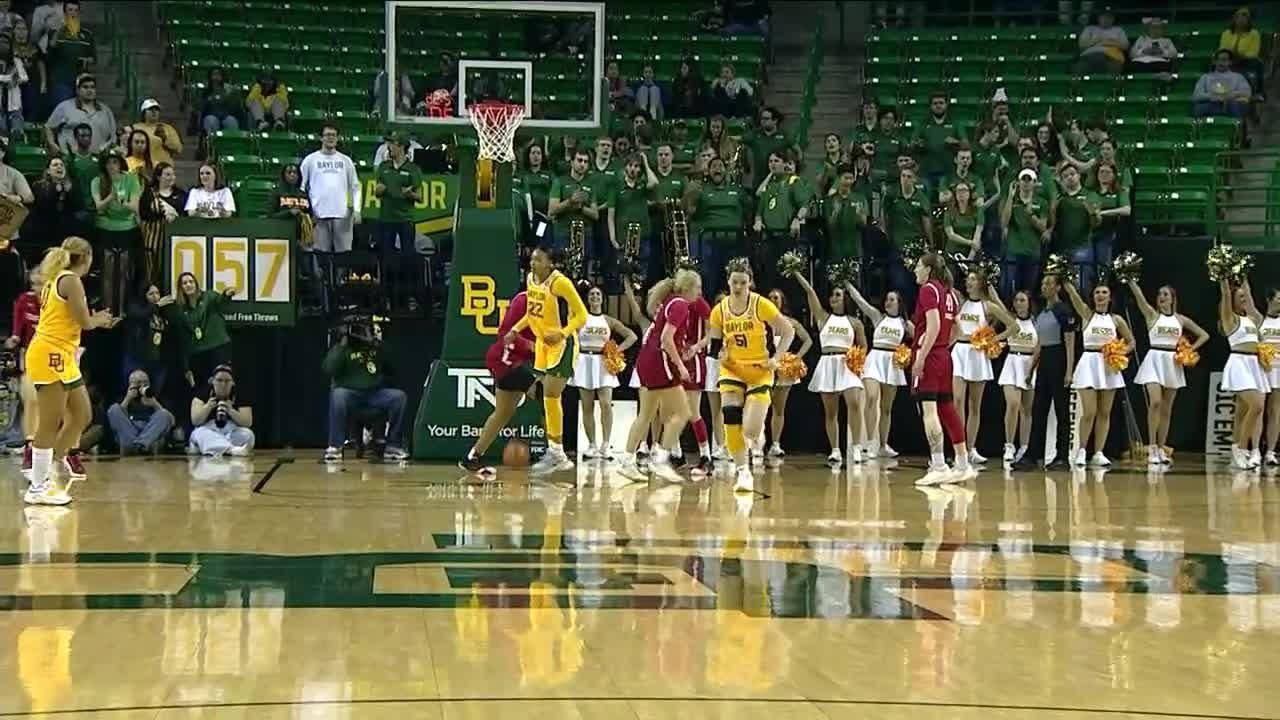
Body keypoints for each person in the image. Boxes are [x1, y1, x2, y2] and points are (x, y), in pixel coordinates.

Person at [24, 236, 117, 505]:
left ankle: (49, 469)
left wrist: (94, 320)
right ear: (86, 257)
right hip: (49, 353)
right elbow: (85, 322)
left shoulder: (58, 278)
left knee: (81, 414)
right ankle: (37, 487)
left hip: (63, 354)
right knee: (50, 421)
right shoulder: (70, 280)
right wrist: (99, 319)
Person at [707, 259, 793, 494]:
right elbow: (714, 345)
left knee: (751, 431)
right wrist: (720, 353)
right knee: (730, 414)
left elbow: (788, 331)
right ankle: (743, 471)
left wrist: (778, 358)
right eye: (734, 282)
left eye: (743, 283)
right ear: (728, 281)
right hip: (732, 369)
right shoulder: (720, 310)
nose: (738, 287)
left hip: (759, 371)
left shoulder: (760, 305)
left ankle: (757, 433)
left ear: (750, 283)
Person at [503, 246, 589, 474]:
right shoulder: (531, 279)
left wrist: (562, 333)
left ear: (550, 263)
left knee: (551, 395)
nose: (533, 263)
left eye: (538, 259)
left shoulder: (560, 283)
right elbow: (532, 313)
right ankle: (555, 450)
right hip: (543, 345)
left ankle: (557, 452)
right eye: (532, 259)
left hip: (562, 344)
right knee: (548, 397)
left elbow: (582, 315)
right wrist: (516, 329)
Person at [615, 269, 704, 482]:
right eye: (698, 288)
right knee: (683, 412)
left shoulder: (670, 302)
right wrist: (681, 366)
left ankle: (627, 461)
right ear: (688, 288)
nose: (700, 293)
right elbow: (666, 339)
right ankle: (660, 458)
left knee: (645, 415)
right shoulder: (681, 305)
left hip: (646, 361)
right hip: (659, 362)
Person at [1128, 280, 1209, 467]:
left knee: (1166, 408)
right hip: (1154, 359)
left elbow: (1204, 335)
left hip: (1172, 362)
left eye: (1165, 294)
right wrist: (1131, 280)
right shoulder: (1151, 315)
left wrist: (1188, 350)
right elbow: (1139, 298)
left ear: (1172, 299)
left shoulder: (1180, 319)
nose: (1161, 297)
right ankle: (1152, 446)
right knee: (1155, 402)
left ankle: (1162, 447)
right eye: (1159, 294)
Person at [459, 291, 539, 475]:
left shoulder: (553, 305)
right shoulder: (522, 300)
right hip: (505, 361)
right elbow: (505, 333)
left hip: (518, 362)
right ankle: (554, 452)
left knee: (503, 412)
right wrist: (532, 346)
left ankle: (472, 457)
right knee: (546, 397)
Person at [911, 252, 973, 486]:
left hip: (930, 356)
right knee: (947, 408)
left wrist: (922, 357)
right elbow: (959, 329)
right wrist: (943, 347)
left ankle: (938, 464)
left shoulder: (928, 289)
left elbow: (935, 324)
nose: (915, 270)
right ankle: (963, 463)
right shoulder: (951, 294)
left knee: (929, 411)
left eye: (918, 265)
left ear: (928, 269)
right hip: (945, 357)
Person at [792, 270, 865, 466]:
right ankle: (835, 450)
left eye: (838, 295)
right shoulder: (823, 317)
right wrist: (797, 271)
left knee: (854, 404)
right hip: (827, 363)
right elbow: (809, 291)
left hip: (847, 364)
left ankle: (856, 447)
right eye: (832, 295)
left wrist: (857, 359)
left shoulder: (855, 322)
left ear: (845, 300)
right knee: (830, 412)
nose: (833, 297)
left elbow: (864, 346)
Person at [1062, 280, 1136, 467]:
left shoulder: (1117, 320)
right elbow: (1073, 295)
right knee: (1090, 412)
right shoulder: (1087, 314)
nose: (1101, 295)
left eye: (1104, 292)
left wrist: (1120, 353)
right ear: (1093, 297)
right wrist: (1064, 277)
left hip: (1108, 366)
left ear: (1110, 297)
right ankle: (1081, 450)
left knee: (1105, 412)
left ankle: (1099, 452)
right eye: (1097, 292)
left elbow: (1131, 341)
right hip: (1089, 363)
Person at [1011, 273, 1078, 471]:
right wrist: (1031, 369)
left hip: (1059, 359)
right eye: (1043, 283)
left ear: (1058, 288)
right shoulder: (1042, 313)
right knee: (1038, 409)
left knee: (1061, 411)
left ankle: (1062, 456)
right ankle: (1032, 455)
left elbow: (1070, 342)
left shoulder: (1063, 311)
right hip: (1045, 360)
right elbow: (1039, 344)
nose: (1045, 286)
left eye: (1049, 283)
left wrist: (1069, 371)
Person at [322, 320, 409, 462]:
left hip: (374, 394)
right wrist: (343, 344)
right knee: (338, 395)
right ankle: (335, 447)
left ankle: (393, 445)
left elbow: (393, 367)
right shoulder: (343, 348)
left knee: (399, 397)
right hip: (350, 394)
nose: (360, 334)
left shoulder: (374, 348)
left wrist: (377, 344)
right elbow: (328, 369)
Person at [951, 270, 1013, 466]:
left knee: (974, 406)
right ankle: (958, 449)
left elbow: (1013, 326)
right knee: (957, 400)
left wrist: (993, 339)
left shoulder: (988, 306)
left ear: (981, 283)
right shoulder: (959, 301)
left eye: (973, 279)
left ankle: (971, 449)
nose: (968, 282)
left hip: (977, 354)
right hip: (960, 351)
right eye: (967, 279)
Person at [570, 284, 637, 460]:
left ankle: (606, 444)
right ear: (588, 299)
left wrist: (616, 351)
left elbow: (632, 336)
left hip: (603, 363)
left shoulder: (608, 320)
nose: (594, 297)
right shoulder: (580, 318)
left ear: (602, 298)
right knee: (587, 406)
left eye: (598, 294)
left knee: (606, 404)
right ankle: (591, 444)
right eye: (591, 294)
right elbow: (569, 336)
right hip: (584, 361)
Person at [846, 283, 911, 460]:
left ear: (899, 303)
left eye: (892, 300)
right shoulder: (878, 317)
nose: (888, 302)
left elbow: (921, 334)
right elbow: (860, 301)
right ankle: (868, 443)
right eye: (887, 299)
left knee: (887, 408)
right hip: (875, 359)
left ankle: (882, 445)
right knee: (872, 397)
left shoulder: (905, 323)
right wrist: (847, 283)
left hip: (893, 363)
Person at [1219, 277, 1267, 469]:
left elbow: (1250, 294)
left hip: (1254, 365)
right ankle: (1240, 448)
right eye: (1240, 297)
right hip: (1238, 363)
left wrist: (1243, 274)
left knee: (1242, 411)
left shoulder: (1253, 318)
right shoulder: (1230, 318)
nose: (1244, 298)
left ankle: (1236, 449)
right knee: (1255, 405)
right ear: (1233, 300)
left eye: (1245, 296)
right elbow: (1224, 294)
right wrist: (1223, 276)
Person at [760, 288, 812, 459]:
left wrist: (796, 357)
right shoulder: (761, 320)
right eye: (770, 297)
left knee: (778, 408)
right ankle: (757, 444)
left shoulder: (791, 322)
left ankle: (775, 444)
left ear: (783, 301)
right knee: (760, 406)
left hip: (783, 369)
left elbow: (808, 340)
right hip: (764, 367)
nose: (773, 300)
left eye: (776, 298)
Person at [90, 150, 141, 313]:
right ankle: (107, 307)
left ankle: (123, 308)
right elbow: (99, 207)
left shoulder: (131, 180)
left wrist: (123, 203)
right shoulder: (98, 181)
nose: (112, 166)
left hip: (127, 228)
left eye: (115, 162)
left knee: (124, 268)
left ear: (121, 164)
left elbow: (134, 208)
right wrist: (111, 196)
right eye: (109, 163)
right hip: (105, 228)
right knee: (108, 269)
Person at [300, 123, 361, 254]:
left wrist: (357, 210)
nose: (330, 138)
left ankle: (341, 276)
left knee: (344, 257)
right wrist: (307, 213)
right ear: (321, 138)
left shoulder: (346, 161)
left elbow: (355, 187)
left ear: (338, 138)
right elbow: (301, 188)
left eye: (333, 135)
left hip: (343, 216)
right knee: (319, 256)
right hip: (318, 215)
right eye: (327, 135)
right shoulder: (310, 160)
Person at [122, 284, 182, 413]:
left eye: (157, 293)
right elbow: (137, 315)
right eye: (151, 294)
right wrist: (156, 306)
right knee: (135, 393)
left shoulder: (163, 313)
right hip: (138, 359)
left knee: (154, 395)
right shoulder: (137, 308)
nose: (155, 297)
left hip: (158, 362)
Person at [995, 290, 1037, 464]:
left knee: (1026, 409)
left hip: (1030, 363)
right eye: (1017, 300)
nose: (1019, 303)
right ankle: (1009, 445)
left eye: (1022, 300)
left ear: (1029, 303)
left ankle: (1024, 447)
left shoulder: (1036, 321)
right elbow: (997, 301)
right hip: (1012, 361)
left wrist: (1033, 368)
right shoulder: (1010, 319)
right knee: (1012, 404)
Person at [174, 271, 234, 389]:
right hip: (198, 352)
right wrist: (186, 367)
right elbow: (183, 339)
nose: (188, 285)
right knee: (204, 387)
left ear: (196, 284)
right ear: (181, 288)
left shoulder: (209, 296)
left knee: (222, 383)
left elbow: (221, 301)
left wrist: (227, 294)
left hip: (218, 346)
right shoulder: (180, 309)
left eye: (191, 281)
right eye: (184, 283)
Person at [371, 132, 422, 255]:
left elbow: (420, 197)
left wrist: (410, 194)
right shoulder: (383, 167)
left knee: (407, 255)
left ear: (401, 147)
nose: (388, 147)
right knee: (386, 255)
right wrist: (378, 190)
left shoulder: (413, 169)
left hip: (405, 220)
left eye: (392, 144)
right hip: (386, 218)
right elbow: (376, 192)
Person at [1001, 169, 1048, 299]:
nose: (1026, 183)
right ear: (1018, 182)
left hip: (1032, 251)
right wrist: (1010, 196)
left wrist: (1031, 215)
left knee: (1029, 290)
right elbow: (1004, 222)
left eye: (1029, 180)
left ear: (1034, 183)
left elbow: (1043, 227)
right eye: (1023, 180)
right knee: (1008, 289)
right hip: (1013, 251)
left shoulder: (1041, 202)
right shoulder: (1012, 200)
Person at [188, 364, 254, 457]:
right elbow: (195, 421)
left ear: (233, 382)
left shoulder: (240, 395)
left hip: (230, 430)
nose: (223, 384)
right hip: (208, 428)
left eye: (227, 381)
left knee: (248, 435)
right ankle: (231, 450)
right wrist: (207, 407)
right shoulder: (201, 395)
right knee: (199, 433)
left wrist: (231, 410)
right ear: (212, 381)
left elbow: (247, 422)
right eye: (219, 380)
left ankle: (211, 447)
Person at [138, 162, 185, 288]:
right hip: (152, 239)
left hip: (173, 240)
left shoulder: (180, 193)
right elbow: (143, 213)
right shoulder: (149, 193)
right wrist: (163, 214)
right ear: (158, 177)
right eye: (167, 174)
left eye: (173, 174)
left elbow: (183, 213)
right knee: (151, 272)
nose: (172, 177)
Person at [107, 369, 175, 454]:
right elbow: (115, 420)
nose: (142, 386)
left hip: (150, 434)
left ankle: (140, 445)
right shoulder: (124, 398)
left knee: (164, 413)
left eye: (145, 382)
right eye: (138, 383)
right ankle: (135, 446)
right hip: (129, 434)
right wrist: (127, 399)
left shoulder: (156, 397)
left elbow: (171, 422)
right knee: (114, 409)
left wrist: (155, 404)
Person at [1193, 49, 1253, 119]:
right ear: (1214, 62)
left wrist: (1231, 95)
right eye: (1218, 60)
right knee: (1199, 108)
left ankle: (1234, 126)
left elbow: (1247, 92)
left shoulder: (1238, 77)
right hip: (1212, 104)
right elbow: (1196, 95)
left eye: (1224, 60)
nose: (1220, 62)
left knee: (1233, 105)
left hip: (1231, 104)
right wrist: (1213, 97)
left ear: (1230, 62)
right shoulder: (1205, 77)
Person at [1258, 289, 1280, 465]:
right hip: (1261, 369)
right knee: (1257, 410)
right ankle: (1254, 450)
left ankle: (1271, 451)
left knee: (1274, 411)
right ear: (1269, 300)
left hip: (1278, 369)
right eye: (1278, 299)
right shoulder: (1260, 320)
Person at [1219, 6, 1263, 91]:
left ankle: (1259, 92)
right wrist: (1230, 55)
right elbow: (1222, 48)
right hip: (1229, 60)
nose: (1241, 19)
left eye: (1245, 17)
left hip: (1246, 60)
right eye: (1238, 17)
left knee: (1259, 63)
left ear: (1249, 20)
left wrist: (1242, 55)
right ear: (1234, 19)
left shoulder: (1254, 34)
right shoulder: (1226, 33)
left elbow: (1254, 52)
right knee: (1216, 62)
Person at [135, 98, 182, 166]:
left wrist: (165, 139)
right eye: (150, 109)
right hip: (142, 166)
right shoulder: (136, 128)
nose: (154, 112)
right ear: (144, 112)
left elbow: (178, 148)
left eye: (156, 109)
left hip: (163, 168)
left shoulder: (167, 128)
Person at [0, 31, 30, 138]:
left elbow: (24, 77)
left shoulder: (16, 60)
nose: (3, 45)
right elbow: (9, 78)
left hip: (14, 103)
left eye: (6, 43)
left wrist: (16, 80)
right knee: (1, 133)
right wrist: (8, 79)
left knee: (17, 133)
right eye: (1, 42)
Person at [943, 181, 983, 258]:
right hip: (952, 253)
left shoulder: (978, 211)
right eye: (958, 190)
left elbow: (977, 234)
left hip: (971, 251)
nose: (961, 193)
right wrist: (970, 242)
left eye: (964, 190)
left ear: (969, 193)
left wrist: (970, 258)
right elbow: (951, 235)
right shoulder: (949, 212)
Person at [199, 66, 240, 133]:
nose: (216, 77)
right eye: (214, 74)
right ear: (210, 76)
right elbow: (200, 106)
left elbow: (233, 107)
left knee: (232, 121)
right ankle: (213, 142)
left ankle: (231, 142)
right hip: (210, 115)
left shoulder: (228, 89)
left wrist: (231, 96)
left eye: (218, 74)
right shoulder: (205, 90)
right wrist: (209, 99)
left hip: (225, 116)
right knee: (212, 121)